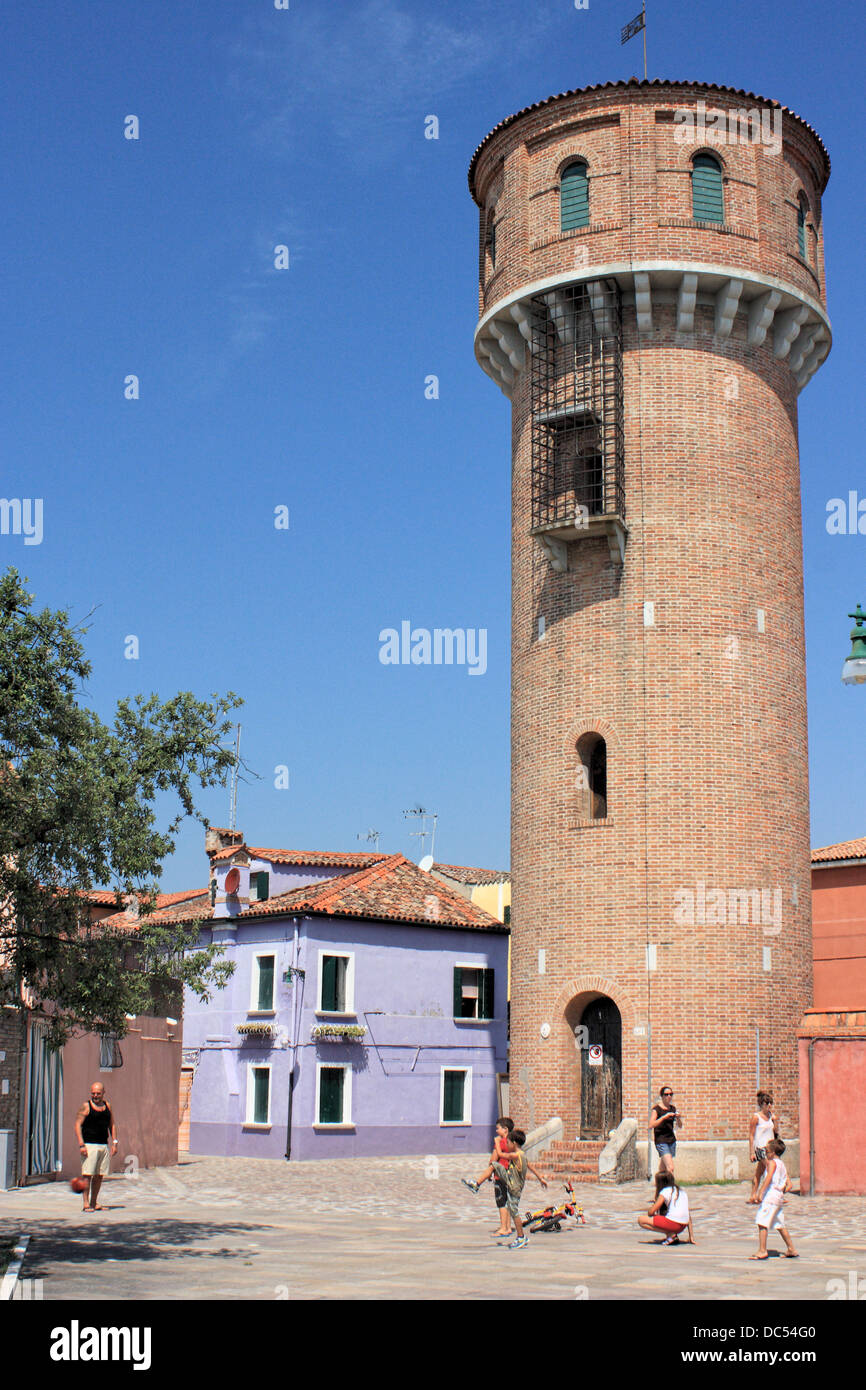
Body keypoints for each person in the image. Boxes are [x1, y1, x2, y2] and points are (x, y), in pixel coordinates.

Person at [750, 1137, 798, 1260]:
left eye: (767, 1151)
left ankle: (762, 1250)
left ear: (772, 1153)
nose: (766, 1153)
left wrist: (761, 1192)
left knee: (762, 1222)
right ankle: (791, 1248)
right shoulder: (782, 1164)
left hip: (770, 1197)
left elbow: (769, 1177)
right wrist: (781, 1191)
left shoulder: (772, 1163)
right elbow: (789, 1184)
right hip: (778, 1198)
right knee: (780, 1224)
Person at [74, 1081, 118, 1212]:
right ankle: (86, 1204)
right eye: (93, 1093)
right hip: (89, 1145)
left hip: (103, 1145)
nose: (95, 1096)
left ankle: (94, 1202)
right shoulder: (86, 1107)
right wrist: (81, 1145)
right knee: (87, 1175)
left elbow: (112, 1125)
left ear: (103, 1093)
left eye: (98, 1093)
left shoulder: (107, 1106)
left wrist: (114, 1142)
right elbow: (77, 1125)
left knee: (99, 1175)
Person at [638, 1172, 695, 1245]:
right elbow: (688, 1215)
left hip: (673, 1224)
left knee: (641, 1220)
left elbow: (651, 1212)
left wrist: (655, 1203)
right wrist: (691, 1236)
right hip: (682, 1226)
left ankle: (671, 1235)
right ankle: (671, 1235)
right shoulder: (681, 1191)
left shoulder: (665, 1191)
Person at [748, 1091, 777, 1205]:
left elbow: (775, 1131)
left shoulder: (771, 1116)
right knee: (771, 1169)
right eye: (767, 1103)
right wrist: (751, 1152)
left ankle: (753, 1195)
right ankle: (767, 1194)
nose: (769, 1105)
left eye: (771, 1103)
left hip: (770, 1148)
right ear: (761, 1104)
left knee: (759, 1173)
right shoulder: (756, 1117)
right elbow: (751, 1135)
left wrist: (775, 1121)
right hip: (760, 1148)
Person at [490, 1116, 515, 1238]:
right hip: (510, 1175)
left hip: (500, 1176)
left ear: (505, 1129)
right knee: (508, 1201)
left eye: (498, 1128)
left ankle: (503, 1228)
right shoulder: (512, 1143)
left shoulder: (500, 1143)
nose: (496, 1131)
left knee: (501, 1201)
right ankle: (509, 1227)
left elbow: (494, 1159)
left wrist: (489, 1171)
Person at [650, 1085, 682, 1174]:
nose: (669, 1096)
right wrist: (664, 1117)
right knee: (670, 1167)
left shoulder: (672, 1108)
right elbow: (651, 1124)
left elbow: (680, 1126)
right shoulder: (656, 1109)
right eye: (666, 1094)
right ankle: (670, 1187)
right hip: (661, 1140)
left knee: (663, 1168)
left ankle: (660, 1183)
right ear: (662, 1096)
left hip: (671, 1140)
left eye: (671, 1094)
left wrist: (678, 1118)